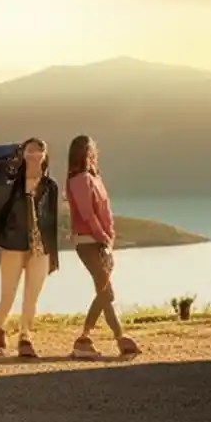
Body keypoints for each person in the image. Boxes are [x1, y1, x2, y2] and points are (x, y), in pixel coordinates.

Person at [65, 135, 142, 360]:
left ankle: (85, 340)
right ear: (81, 155)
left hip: (100, 241)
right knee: (106, 291)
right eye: (88, 152)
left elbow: (104, 212)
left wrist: (109, 238)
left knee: (104, 291)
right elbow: (88, 215)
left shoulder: (94, 178)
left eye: (93, 151)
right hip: (88, 242)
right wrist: (104, 238)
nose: (92, 155)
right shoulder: (79, 179)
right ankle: (120, 339)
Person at [0, 137, 60, 358]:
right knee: (8, 294)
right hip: (12, 244)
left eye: (40, 151)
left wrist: (53, 257)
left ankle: (25, 337)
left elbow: (52, 223)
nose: (35, 155)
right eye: (31, 151)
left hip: (40, 248)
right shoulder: (11, 182)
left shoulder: (49, 186)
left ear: (45, 156)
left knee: (31, 296)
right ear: (23, 154)